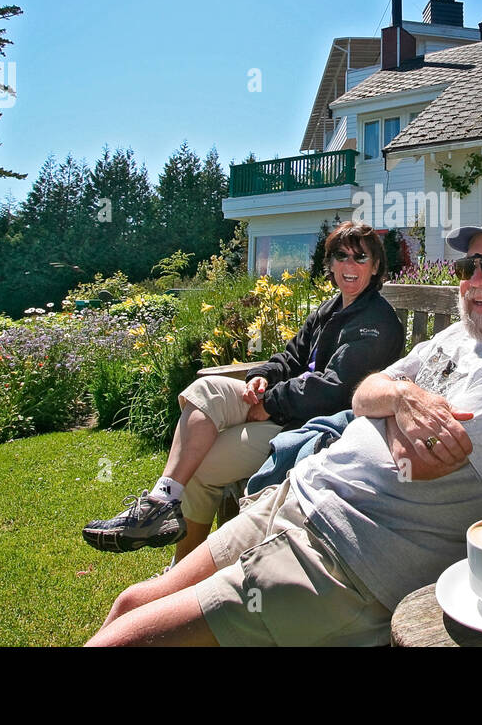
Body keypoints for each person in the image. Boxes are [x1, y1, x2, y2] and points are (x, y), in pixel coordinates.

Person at [86, 220, 482, 647]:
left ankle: (171, 515)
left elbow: (418, 458)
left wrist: (386, 398)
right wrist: (403, 399)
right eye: (467, 267)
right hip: (299, 497)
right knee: (131, 601)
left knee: (129, 637)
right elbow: (365, 393)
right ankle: (164, 501)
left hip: (348, 555)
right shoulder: (454, 337)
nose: (475, 280)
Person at [82, 220, 404, 562]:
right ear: (331, 263)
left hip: (311, 427)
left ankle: (178, 576)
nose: (348, 266)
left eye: (360, 257)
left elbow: (337, 389)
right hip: (287, 407)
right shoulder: (332, 308)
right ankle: (161, 501)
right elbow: (292, 356)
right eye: (341, 256)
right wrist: (262, 377)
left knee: (200, 466)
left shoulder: (376, 321)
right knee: (206, 389)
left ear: (376, 266)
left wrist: (272, 404)